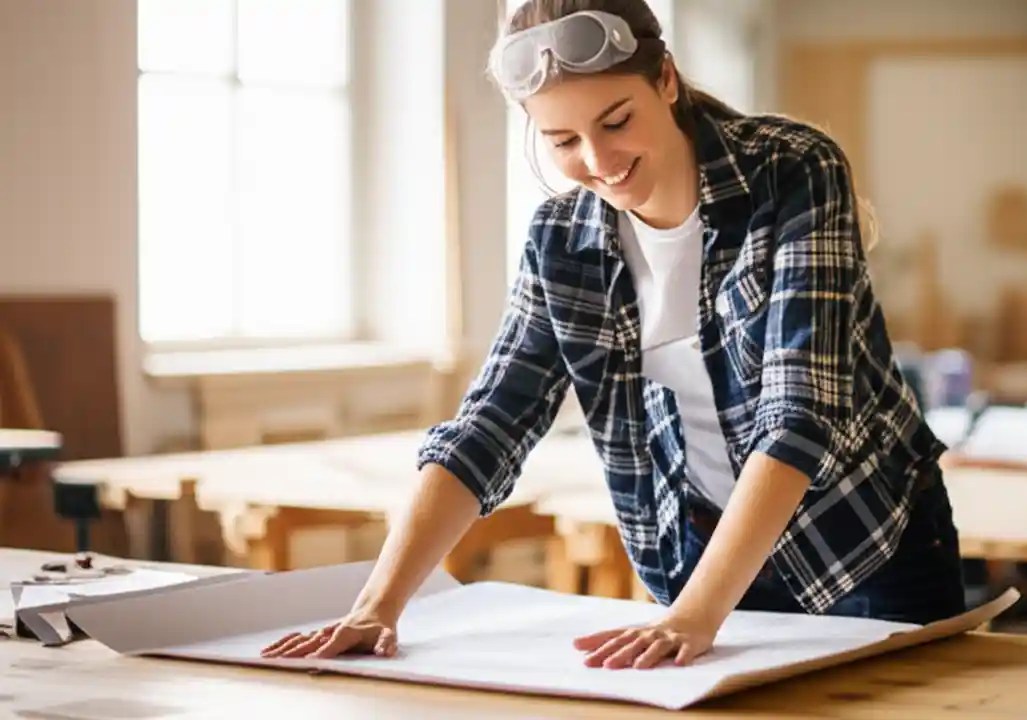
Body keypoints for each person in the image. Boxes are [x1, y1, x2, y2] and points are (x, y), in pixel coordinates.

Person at [260, 0, 963, 671]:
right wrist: (377, 607)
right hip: (697, 554)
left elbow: (799, 412)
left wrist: (695, 617)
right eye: (562, 140)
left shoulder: (791, 171)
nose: (597, 159)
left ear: (666, 80)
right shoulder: (561, 242)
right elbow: (489, 427)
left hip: (862, 544)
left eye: (616, 121)